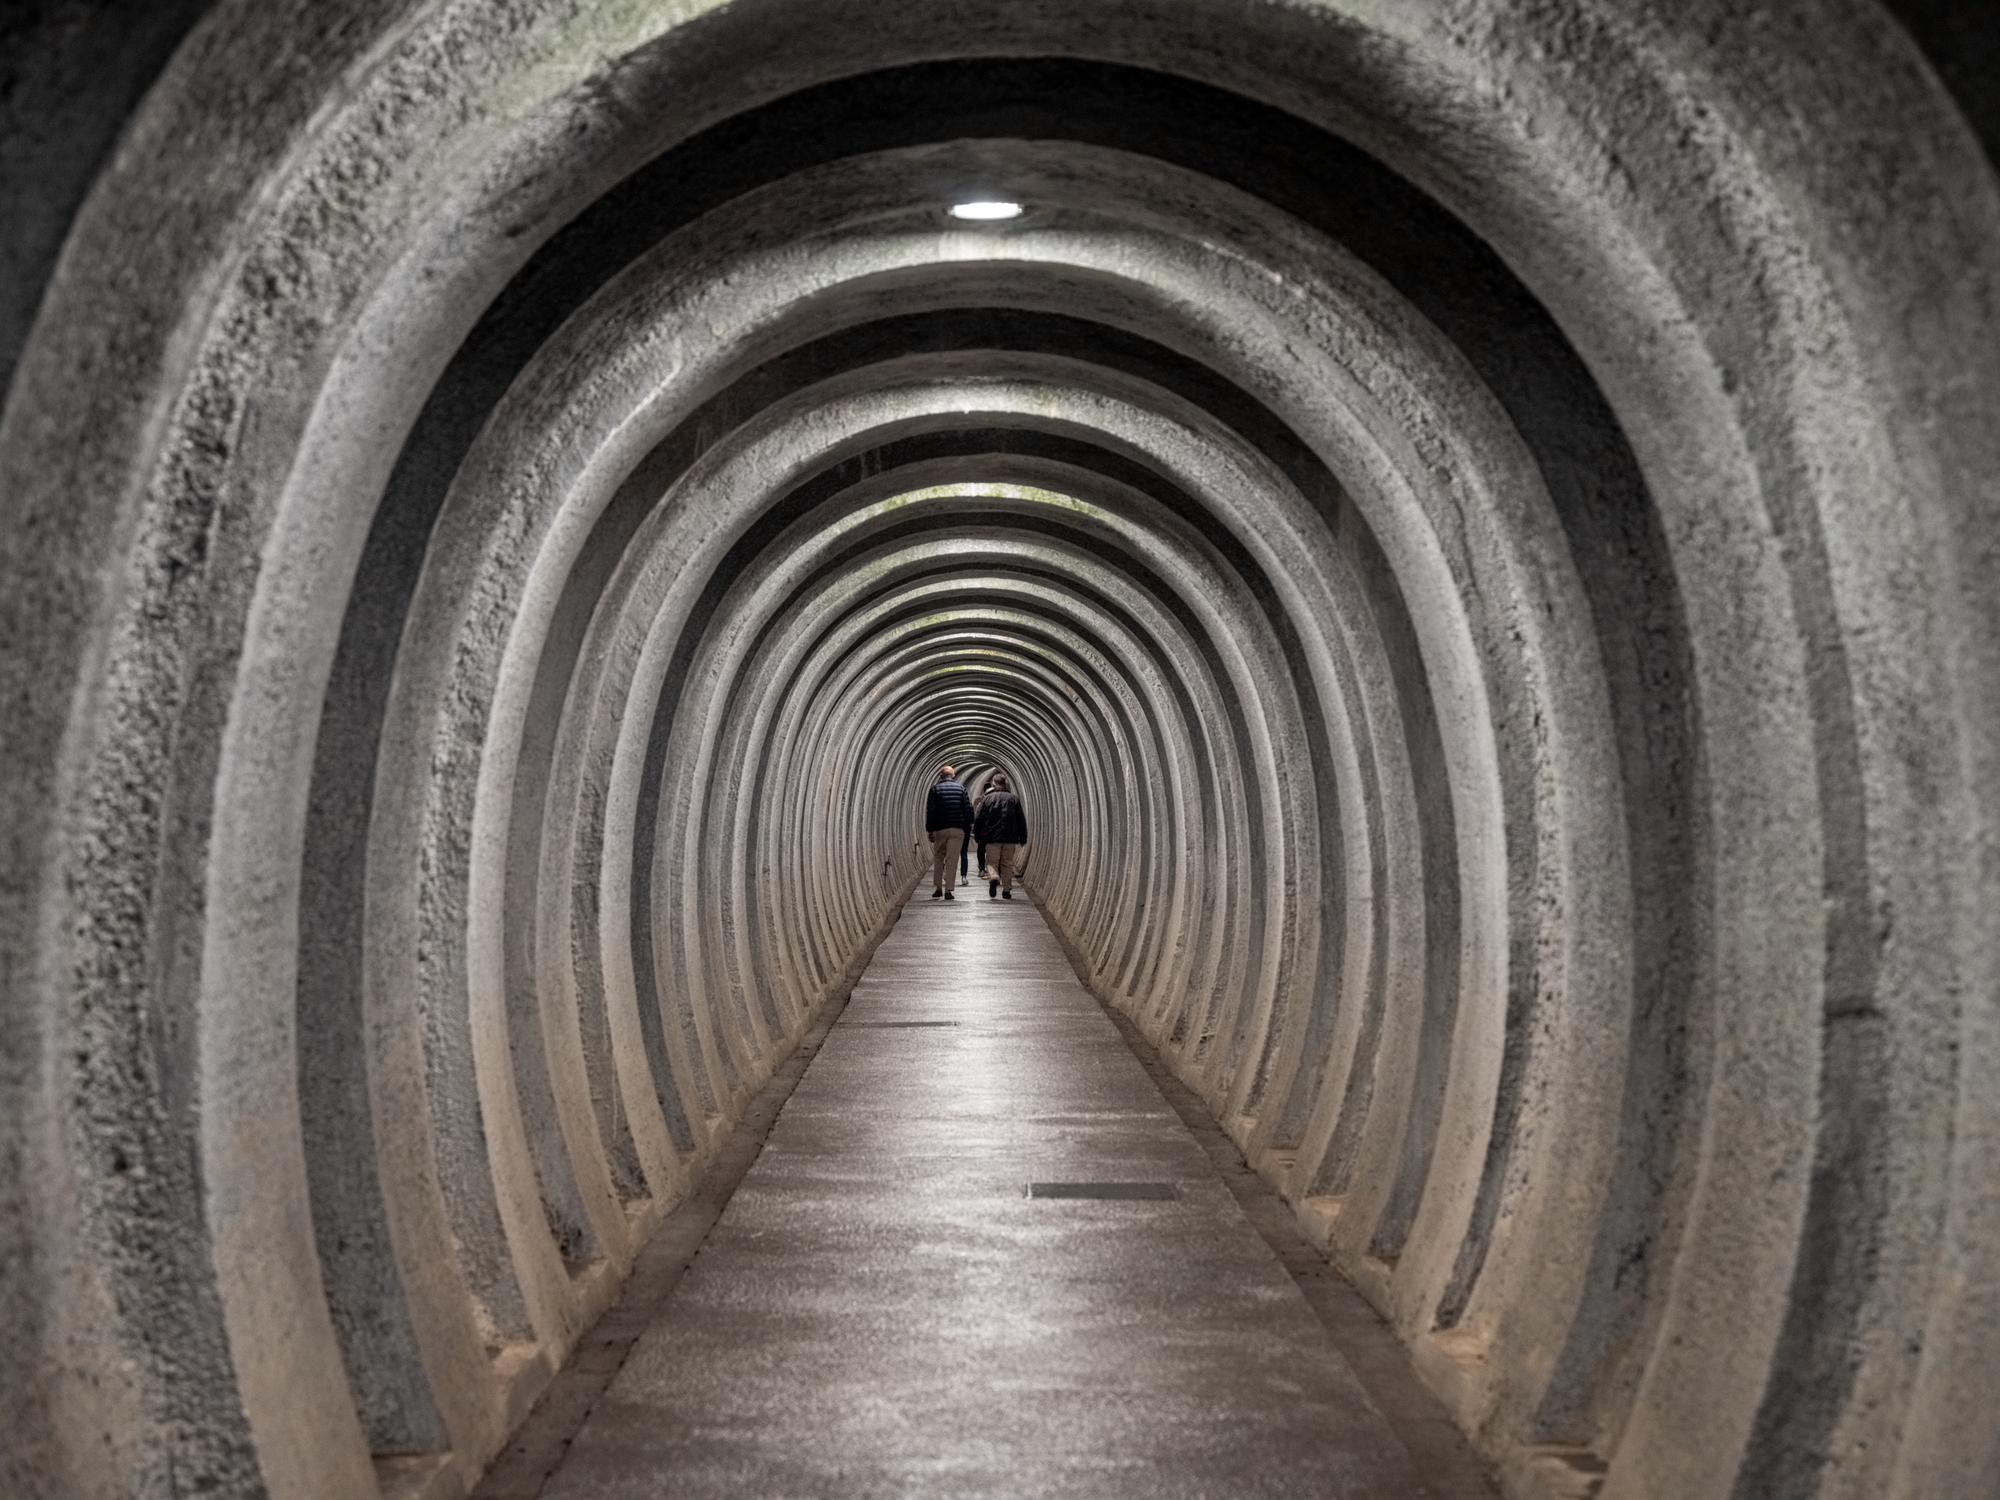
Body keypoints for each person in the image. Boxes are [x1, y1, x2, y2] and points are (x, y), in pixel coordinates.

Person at [973, 772, 1028, 900]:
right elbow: (1021, 819)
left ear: (993, 784)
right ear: (1005, 784)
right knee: (1007, 864)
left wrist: (977, 835)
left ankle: (994, 877)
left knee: (992, 862)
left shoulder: (987, 798)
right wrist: (1023, 837)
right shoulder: (1013, 799)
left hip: (992, 838)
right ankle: (1007, 890)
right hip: (1010, 838)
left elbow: (979, 819)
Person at [924, 764, 973, 900]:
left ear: (941, 776)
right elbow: (967, 810)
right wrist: (967, 825)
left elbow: (931, 811)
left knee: (939, 857)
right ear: (954, 776)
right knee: (952, 860)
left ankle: (938, 888)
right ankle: (948, 891)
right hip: (957, 829)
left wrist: (930, 830)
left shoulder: (935, 790)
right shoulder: (961, 789)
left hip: (940, 829)